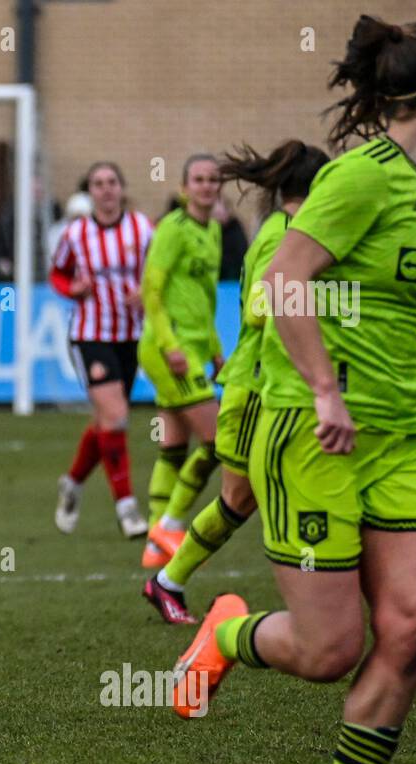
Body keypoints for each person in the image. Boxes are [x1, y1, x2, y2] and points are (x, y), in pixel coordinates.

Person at [172, 15, 416, 764]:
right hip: (318, 435)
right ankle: (226, 634)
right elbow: (286, 283)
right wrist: (324, 389)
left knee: (414, 622)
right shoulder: (362, 177)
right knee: (329, 650)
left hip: (406, 436)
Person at [145, 141, 329, 624]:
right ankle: (163, 545)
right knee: (237, 491)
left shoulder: (265, 230)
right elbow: (256, 307)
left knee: (245, 488)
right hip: (256, 385)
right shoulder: (281, 234)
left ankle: (165, 560)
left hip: (267, 378)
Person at [50, 161, 153, 539]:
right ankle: (127, 508)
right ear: (89, 192)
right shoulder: (75, 234)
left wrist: (146, 291)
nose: (106, 189)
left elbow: (159, 272)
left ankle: (72, 483)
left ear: (121, 188)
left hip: (131, 335)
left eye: (112, 182)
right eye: (98, 184)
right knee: (115, 415)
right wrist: (71, 289)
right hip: (90, 334)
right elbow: (58, 273)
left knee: (109, 421)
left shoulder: (143, 229)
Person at [137, 155, 224, 569]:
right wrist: (171, 345)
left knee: (174, 447)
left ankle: (155, 545)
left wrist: (216, 351)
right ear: (186, 187)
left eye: (213, 180)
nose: (207, 186)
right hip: (166, 348)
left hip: (193, 347)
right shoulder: (173, 228)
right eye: (199, 180)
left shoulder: (214, 233)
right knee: (220, 440)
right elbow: (151, 290)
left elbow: (205, 301)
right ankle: (170, 523)